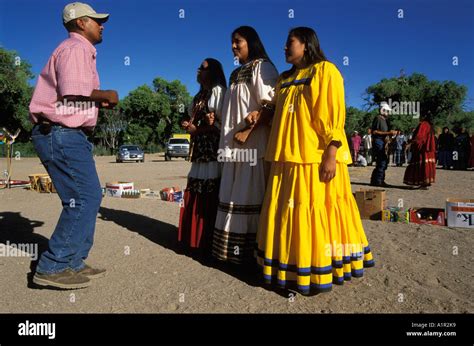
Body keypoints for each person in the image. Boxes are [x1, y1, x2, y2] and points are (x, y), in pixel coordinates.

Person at [257, 27, 374, 295]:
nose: (285, 47)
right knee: (287, 213)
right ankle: (292, 267)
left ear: (306, 45)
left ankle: (318, 268)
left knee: (314, 209)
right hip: (286, 159)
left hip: (315, 159)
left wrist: (331, 154)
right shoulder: (285, 79)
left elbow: (334, 115)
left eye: (290, 43)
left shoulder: (325, 71)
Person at [29, 2, 118, 289]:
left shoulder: (78, 51)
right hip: (61, 132)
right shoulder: (76, 48)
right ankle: (53, 266)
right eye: (97, 20)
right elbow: (72, 93)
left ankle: (73, 261)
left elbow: (74, 94)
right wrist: (107, 94)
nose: (102, 25)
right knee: (83, 197)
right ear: (81, 23)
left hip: (65, 134)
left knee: (87, 196)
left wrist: (97, 100)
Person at [213, 26, 278, 265]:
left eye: (237, 41)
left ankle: (253, 256)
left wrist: (249, 130)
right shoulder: (235, 73)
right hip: (234, 148)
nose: (233, 46)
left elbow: (272, 105)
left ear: (251, 42)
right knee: (233, 195)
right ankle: (231, 253)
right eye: (231, 41)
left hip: (252, 147)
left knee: (249, 194)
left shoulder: (263, 67)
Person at [178, 58, 226, 258]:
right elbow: (195, 118)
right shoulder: (200, 94)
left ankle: (206, 239)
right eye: (199, 67)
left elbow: (221, 125)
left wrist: (198, 129)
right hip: (199, 148)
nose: (199, 70)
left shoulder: (218, 92)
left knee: (210, 185)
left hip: (212, 148)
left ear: (213, 72)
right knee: (197, 184)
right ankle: (193, 238)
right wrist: (188, 123)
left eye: (204, 68)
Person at [403, 115, 436, 189]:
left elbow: (420, 137)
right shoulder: (429, 125)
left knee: (422, 165)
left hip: (423, 150)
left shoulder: (424, 124)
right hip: (428, 150)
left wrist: (411, 143)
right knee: (427, 165)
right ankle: (426, 182)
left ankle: (423, 183)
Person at [370, 102, 397, 186]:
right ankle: (378, 181)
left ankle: (377, 180)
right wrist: (388, 132)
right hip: (378, 141)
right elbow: (374, 131)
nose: (388, 113)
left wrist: (390, 134)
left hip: (382, 142)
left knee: (382, 161)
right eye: (387, 111)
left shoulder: (385, 120)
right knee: (382, 161)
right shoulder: (378, 118)